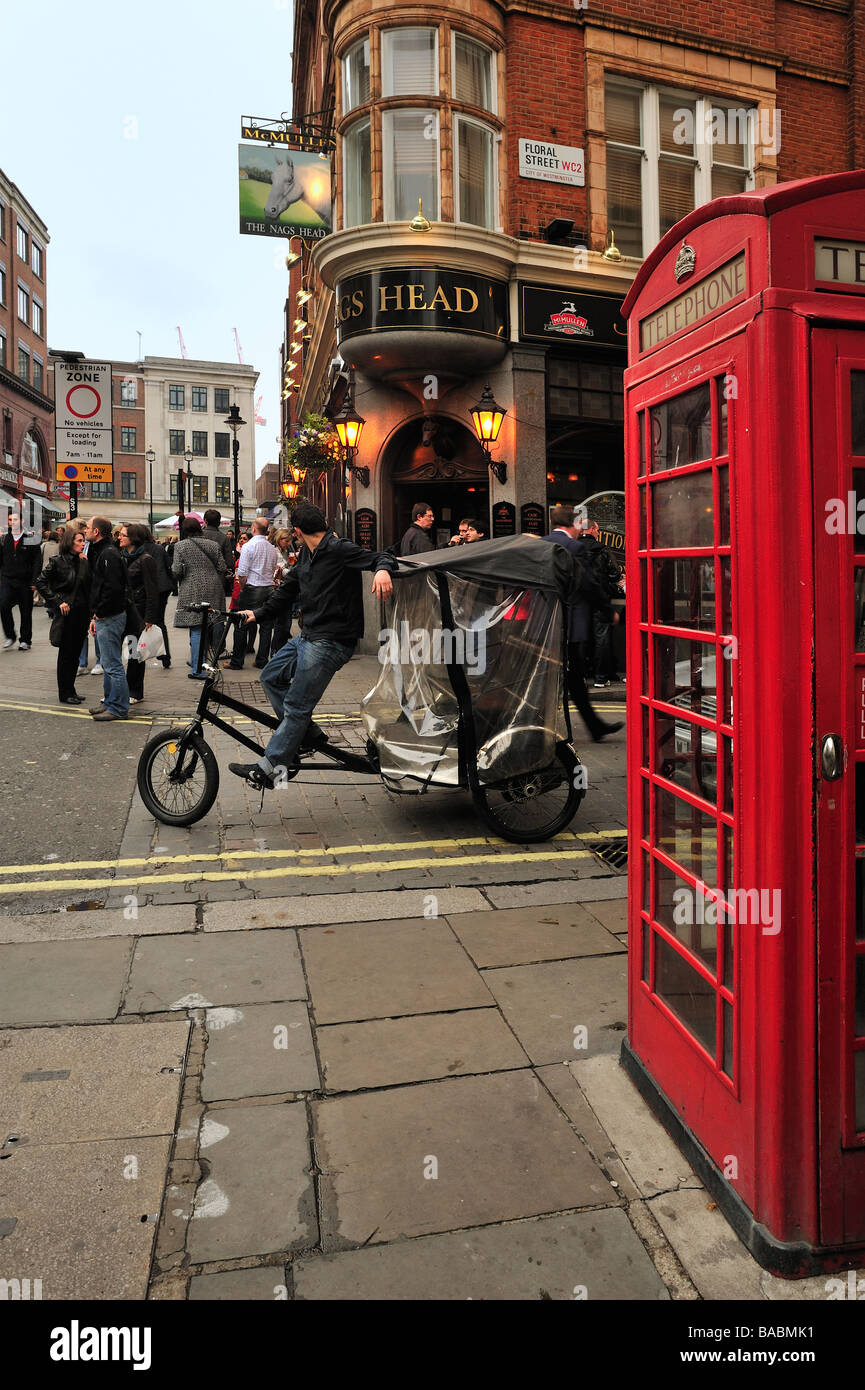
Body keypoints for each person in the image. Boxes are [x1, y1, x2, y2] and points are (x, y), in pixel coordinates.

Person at [228, 502, 396, 790]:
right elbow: (288, 591)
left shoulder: (340, 549)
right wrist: (257, 614)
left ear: (297, 531)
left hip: (332, 640)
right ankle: (309, 735)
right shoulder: (306, 554)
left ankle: (269, 768)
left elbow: (382, 556)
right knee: (270, 676)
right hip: (308, 636)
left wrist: (382, 570)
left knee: (296, 705)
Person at [541, 505, 623, 743]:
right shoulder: (574, 547)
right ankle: (593, 727)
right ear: (575, 524)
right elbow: (587, 584)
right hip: (570, 625)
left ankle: (594, 726)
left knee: (567, 677)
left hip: (546, 623)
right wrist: (608, 611)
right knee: (573, 675)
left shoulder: (543, 543)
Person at [33, 528, 91, 703]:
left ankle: (71, 689)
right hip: (67, 612)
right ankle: (64, 693)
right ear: (69, 542)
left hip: (82, 612)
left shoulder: (83, 562)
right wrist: (57, 602)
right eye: (79, 541)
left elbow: (87, 588)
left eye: (83, 540)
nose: (83, 544)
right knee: (66, 654)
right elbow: (40, 582)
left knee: (75, 653)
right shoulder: (57, 561)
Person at [85, 515, 131, 721]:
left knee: (112, 664)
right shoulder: (102, 552)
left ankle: (119, 708)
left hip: (110, 616)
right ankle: (110, 702)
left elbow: (112, 589)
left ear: (96, 532)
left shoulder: (108, 554)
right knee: (108, 663)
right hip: (104, 615)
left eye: (87, 528)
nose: (84, 531)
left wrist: (99, 613)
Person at [171, 516, 228, 678]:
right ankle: (198, 659)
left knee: (196, 627)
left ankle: (197, 668)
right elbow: (222, 567)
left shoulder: (180, 546)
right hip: (213, 586)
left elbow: (176, 571)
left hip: (192, 587)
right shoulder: (213, 544)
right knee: (207, 624)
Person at [225, 516, 279, 670]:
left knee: (241, 624)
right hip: (269, 589)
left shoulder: (248, 547)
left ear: (254, 529)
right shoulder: (271, 548)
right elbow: (273, 568)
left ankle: (237, 661)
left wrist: (243, 587)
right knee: (266, 626)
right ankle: (262, 660)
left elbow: (242, 572)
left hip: (252, 588)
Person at [118, 523, 159, 705]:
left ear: (133, 538)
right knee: (118, 651)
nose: (119, 537)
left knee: (135, 653)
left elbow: (152, 590)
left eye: (123, 535)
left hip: (138, 613)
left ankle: (135, 691)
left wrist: (149, 617)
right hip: (122, 610)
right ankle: (119, 691)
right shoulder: (121, 557)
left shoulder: (146, 559)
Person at [581, 517, 625, 686]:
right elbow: (614, 574)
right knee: (602, 638)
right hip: (599, 599)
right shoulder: (602, 550)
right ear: (591, 529)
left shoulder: (572, 549)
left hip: (579, 601)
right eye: (598, 530)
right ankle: (601, 678)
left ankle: (582, 676)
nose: (599, 533)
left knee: (581, 638)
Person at [0, 509, 40, 651]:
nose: (12, 522)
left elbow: (37, 561)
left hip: (25, 580)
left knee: (25, 611)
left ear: (22, 521)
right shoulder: (4, 539)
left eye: (15, 519)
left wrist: (35, 581)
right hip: (7, 578)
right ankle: (10, 636)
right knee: (3, 605)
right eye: (10, 520)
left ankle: (25, 640)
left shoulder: (31, 538)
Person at [143, 528, 174, 668]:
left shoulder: (139, 550)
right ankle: (165, 654)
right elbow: (168, 565)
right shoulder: (159, 548)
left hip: (148, 589)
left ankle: (141, 653)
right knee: (160, 621)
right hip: (163, 587)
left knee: (144, 621)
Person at [34, 530, 60, 605]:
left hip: (44, 567)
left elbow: (39, 555)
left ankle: (37, 599)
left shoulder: (44, 545)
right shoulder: (59, 546)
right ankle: (49, 600)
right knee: (52, 585)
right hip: (55, 568)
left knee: (41, 583)